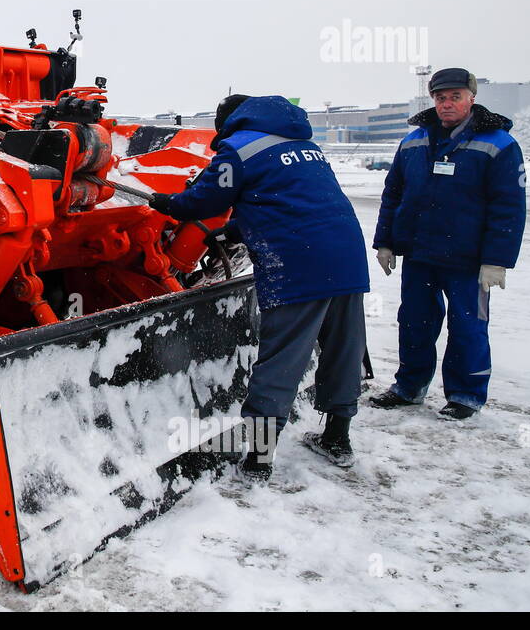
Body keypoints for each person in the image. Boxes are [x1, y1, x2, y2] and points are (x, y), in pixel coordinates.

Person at [146, 95, 371, 479]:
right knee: (342, 347)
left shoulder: (239, 148)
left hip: (299, 263)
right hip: (346, 255)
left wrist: (164, 203)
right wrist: (234, 229)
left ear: (227, 122)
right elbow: (290, 201)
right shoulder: (302, 145)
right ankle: (337, 437)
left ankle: (258, 461)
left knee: (282, 358)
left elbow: (204, 199)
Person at [369, 68, 526, 419]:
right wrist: (386, 242)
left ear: (472, 98)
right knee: (414, 322)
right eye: (440, 97)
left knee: (468, 327)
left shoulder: (499, 144)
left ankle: (465, 395)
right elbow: (393, 193)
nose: (447, 103)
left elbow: (509, 208)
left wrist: (497, 260)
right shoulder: (413, 142)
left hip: (468, 260)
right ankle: (409, 387)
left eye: (455, 96)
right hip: (421, 254)